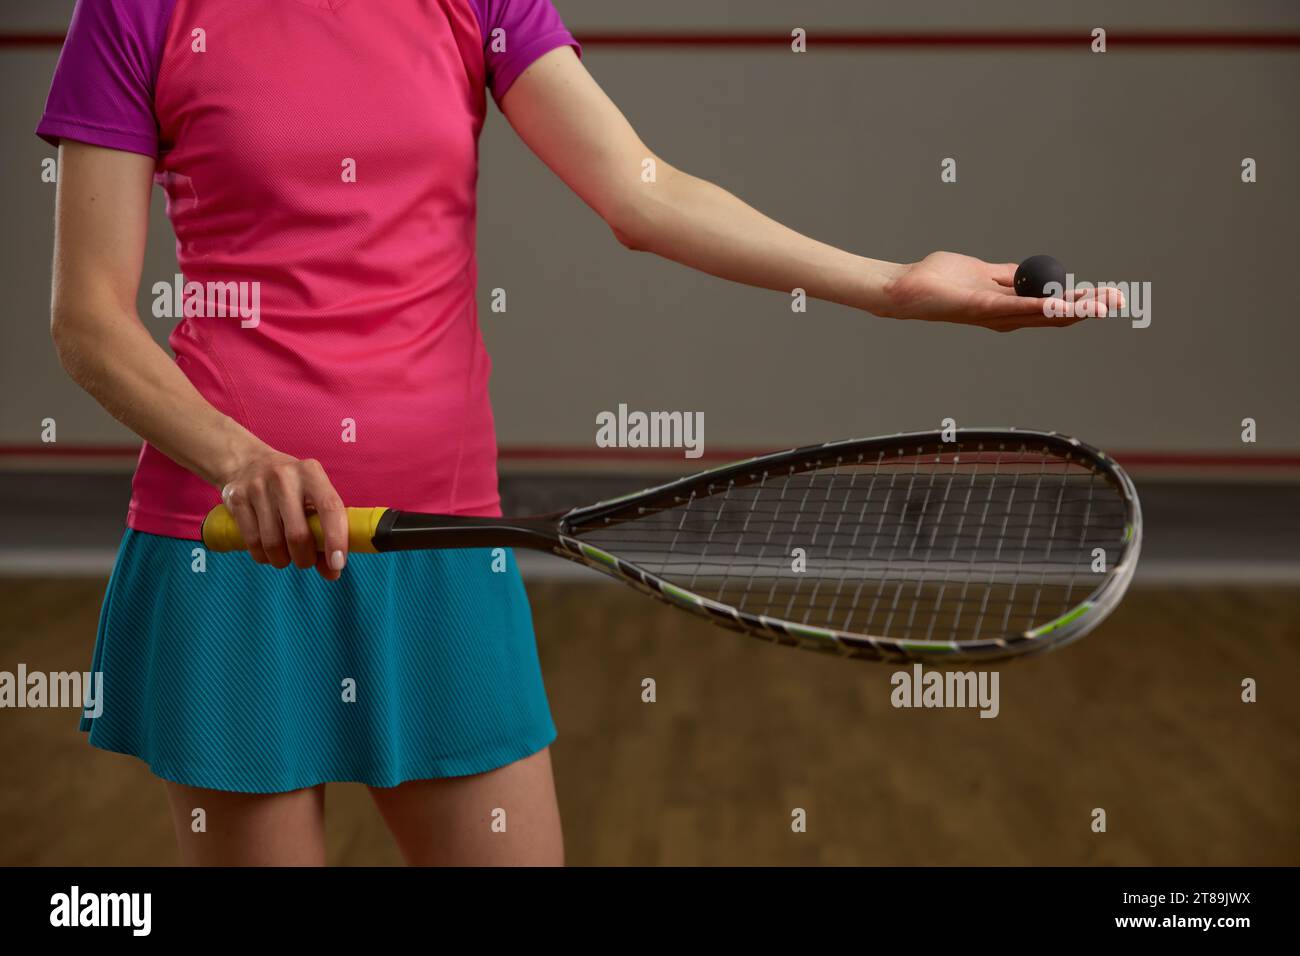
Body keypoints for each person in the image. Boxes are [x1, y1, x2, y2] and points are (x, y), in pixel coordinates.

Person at [39, 0, 1114, 866]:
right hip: (232, 550)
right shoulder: (139, 10)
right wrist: (239, 458)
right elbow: (87, 314)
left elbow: (641, 192)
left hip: (444, 542)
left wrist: (889, 284)